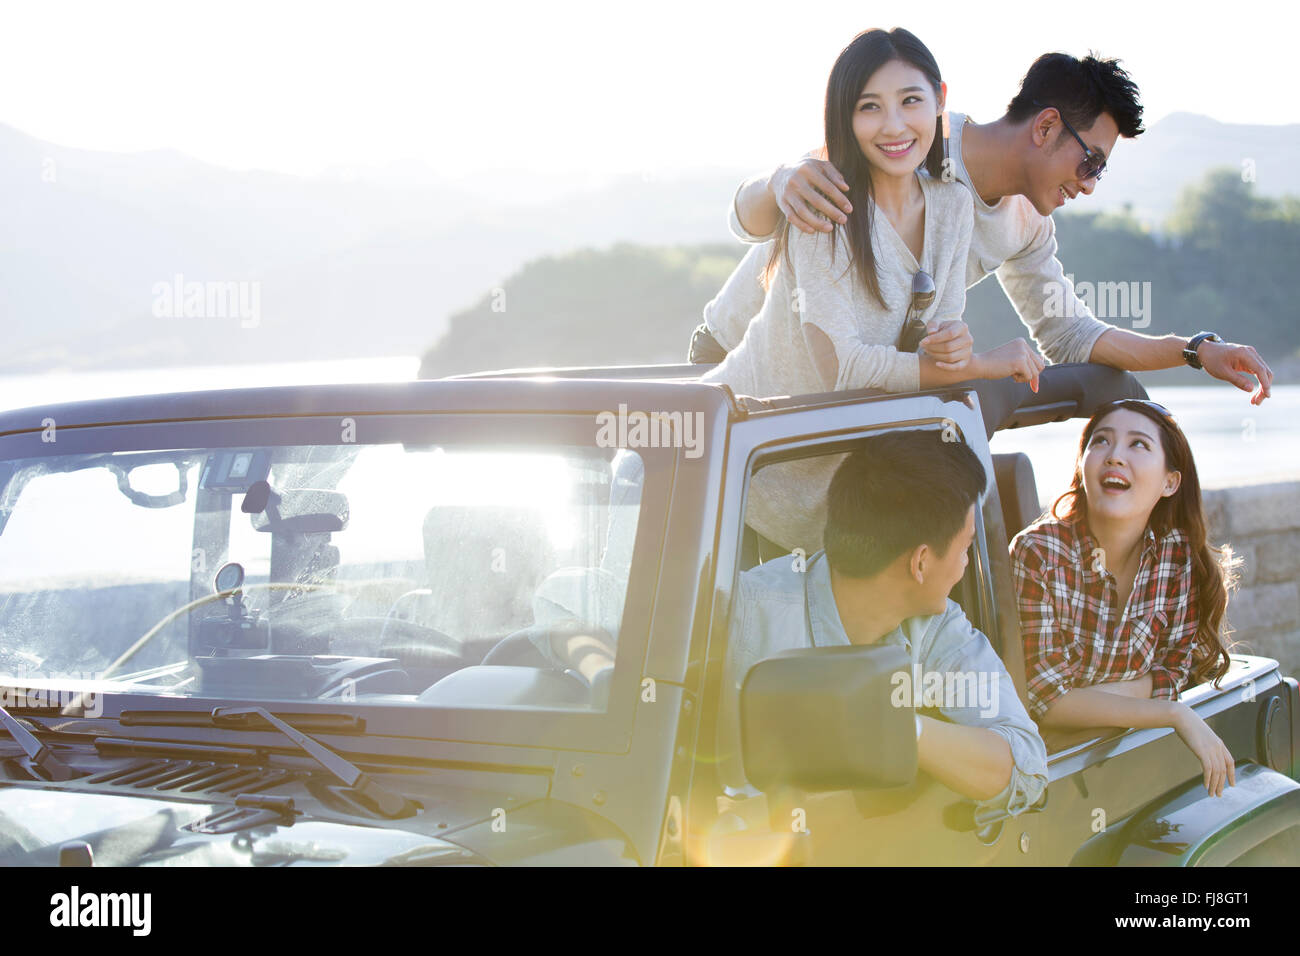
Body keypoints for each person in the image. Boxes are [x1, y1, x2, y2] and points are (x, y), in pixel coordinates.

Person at [692, 51, 1273, 407]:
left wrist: (1194, 351)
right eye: (1091, 161)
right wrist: (780, 176)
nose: (1091, 184)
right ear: (1046, 128)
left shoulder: (1028, 223)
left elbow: (1068, 332)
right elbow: (751, 218)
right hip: (742, 359)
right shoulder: (913, 135)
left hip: (854, 385)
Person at [701, 27, 1038, 553]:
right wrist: (984, 364)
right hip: (731, 476)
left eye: (910, 101)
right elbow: (845, 370)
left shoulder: (952, 207)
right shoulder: (824, 204)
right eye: (870, 108)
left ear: (940, 101)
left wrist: (953, 350)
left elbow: (937, 348)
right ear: (844, 117)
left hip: (830, 497)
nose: (894, 126)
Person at [718, 429, 1048, 823]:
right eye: (965, 547)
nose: (964, 563)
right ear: (921, 562)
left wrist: (901, 727)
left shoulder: (937, 629)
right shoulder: (740, 613)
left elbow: (1025, 769)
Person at [1011, 399, 1241, 797]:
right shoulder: (1038, 554)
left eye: (1138, 444)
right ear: (1082, 466)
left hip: (1127, 767)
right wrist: (1170, 713)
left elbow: (1172, 673)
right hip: (1049, 778)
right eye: (1101, 442)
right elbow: (1044, 699)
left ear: (1170, 482)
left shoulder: (1176, 556)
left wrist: (1076, 702)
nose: (1115, 456)